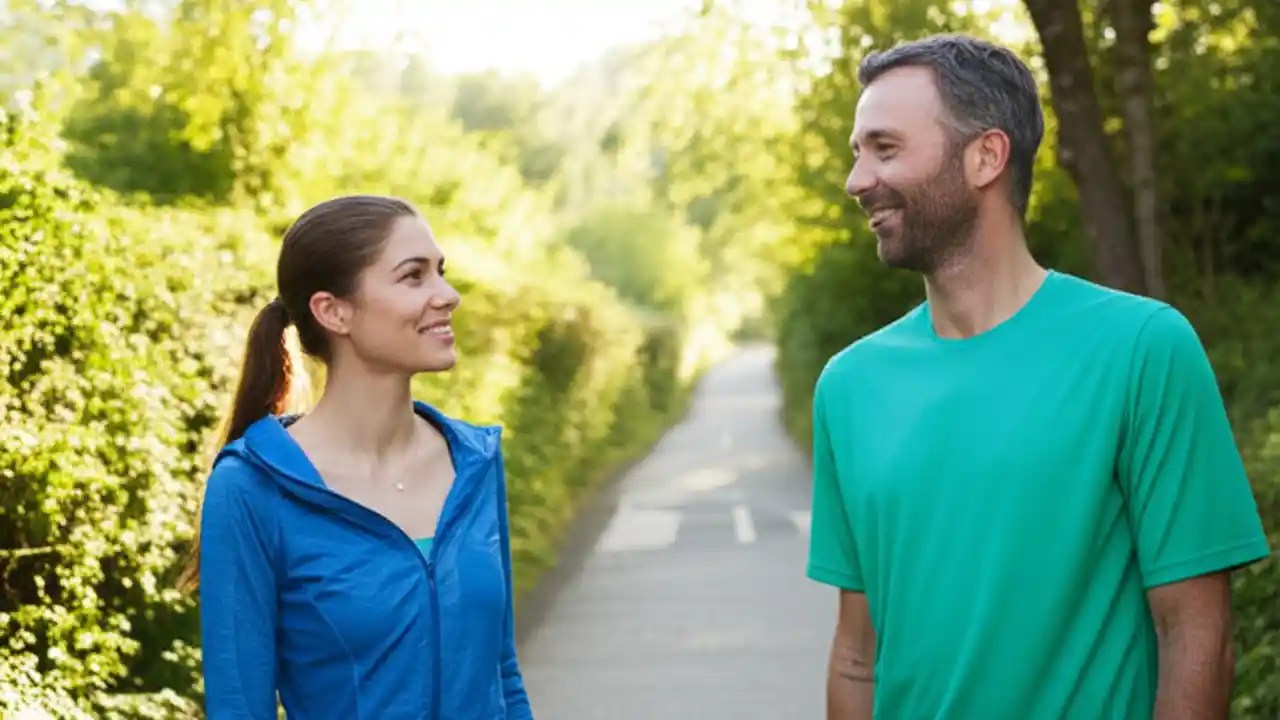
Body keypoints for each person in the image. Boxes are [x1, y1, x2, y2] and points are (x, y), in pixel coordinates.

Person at [805, 33, 1271, 719]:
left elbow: (1198, 633)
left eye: (886, 148)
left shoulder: (1141, 348)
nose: (857, 180)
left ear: (985, 157)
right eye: (858, 154)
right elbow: (855, 656)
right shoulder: (849, 387)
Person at [180, 195, 534, 719]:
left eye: (440, 272)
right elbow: (239, 707)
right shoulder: (252, 488)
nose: (449, 295)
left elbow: (501, 672)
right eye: (414, 277)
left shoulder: (475, 464)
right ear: (333, 311)